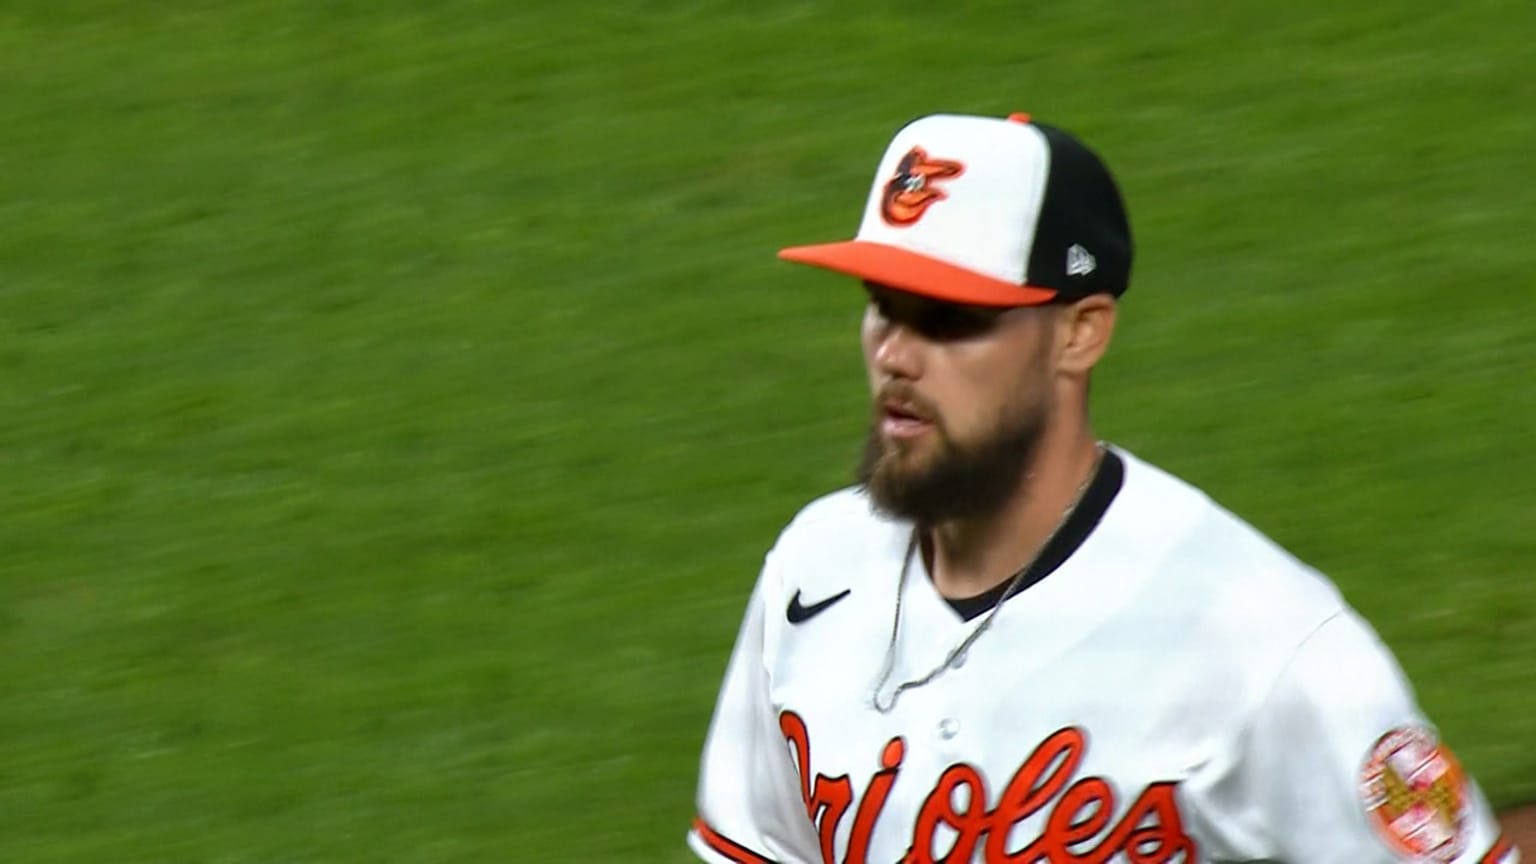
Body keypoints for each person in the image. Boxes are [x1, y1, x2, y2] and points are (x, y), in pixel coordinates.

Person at [684, 112, 1518, 863]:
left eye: (948, 321)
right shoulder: (816, 565)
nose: (896, 356)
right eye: (882, 307)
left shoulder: (1259, 636)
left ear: (1079, 336)